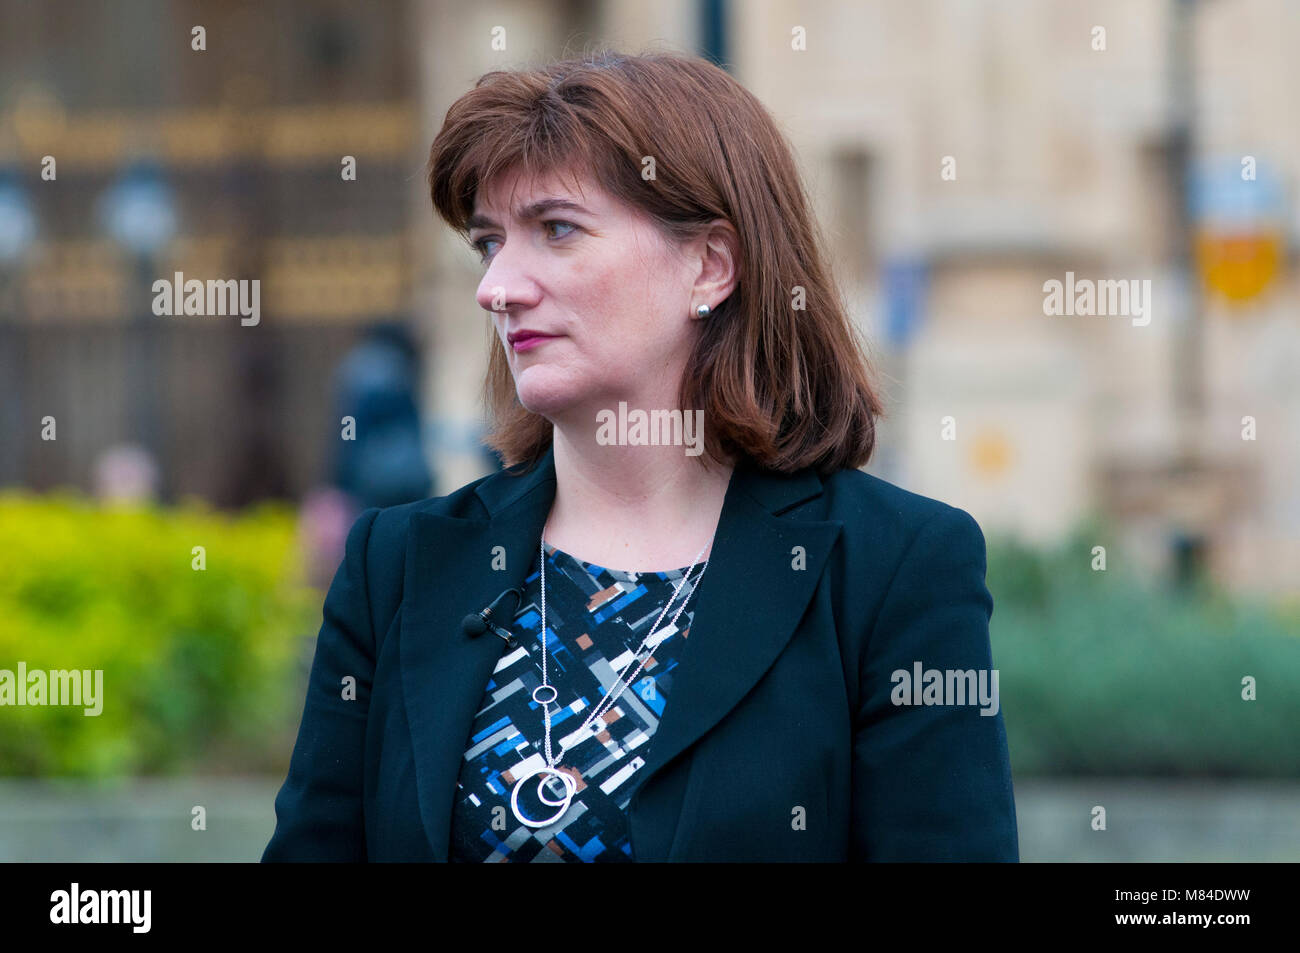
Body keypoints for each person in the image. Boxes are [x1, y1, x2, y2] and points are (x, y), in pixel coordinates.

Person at [263, 50, 1018, 862]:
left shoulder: (892, 570)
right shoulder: (399, 567)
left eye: (556, 229)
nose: (498, 286)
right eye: (488, 242)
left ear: (710, 265)